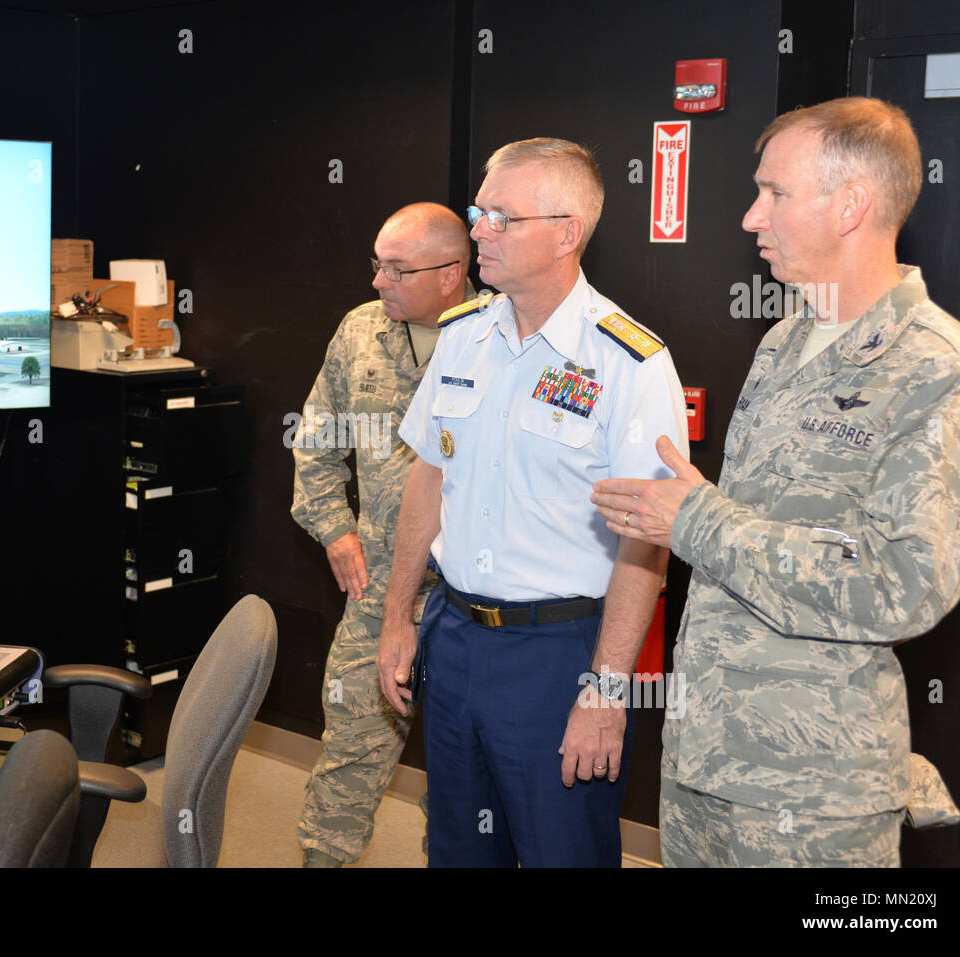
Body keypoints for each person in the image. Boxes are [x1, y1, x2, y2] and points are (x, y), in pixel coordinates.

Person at [590, 97, 960, 866]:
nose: (749, 216)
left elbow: (904, 585)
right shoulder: (787, 338)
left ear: (851, 205)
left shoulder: (942, 369)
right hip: (709, 757)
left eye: (774, 193)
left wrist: (696, 522)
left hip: (814, 797)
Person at [377, 139, 688, 866]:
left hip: (560, 655)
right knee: (456, 849)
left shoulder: (629, 363)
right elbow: (428, 478)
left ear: (567, 231)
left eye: (501, 218)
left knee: (562, 852)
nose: (479, 229)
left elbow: (648, 542)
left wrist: (607, 689)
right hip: (453, 637)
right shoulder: (461, 337)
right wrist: (398, 617)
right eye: (479, 211)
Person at [292, 202, 472, 867]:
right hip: (377, 587)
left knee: (466, 769)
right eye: (377, 263)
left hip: (470, 598)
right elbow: (315, 442)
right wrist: (336, 529)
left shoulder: (500, 338)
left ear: (452, 272)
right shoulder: (360, 331)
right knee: (350, 743)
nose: (378, 280)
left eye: (397, 268)